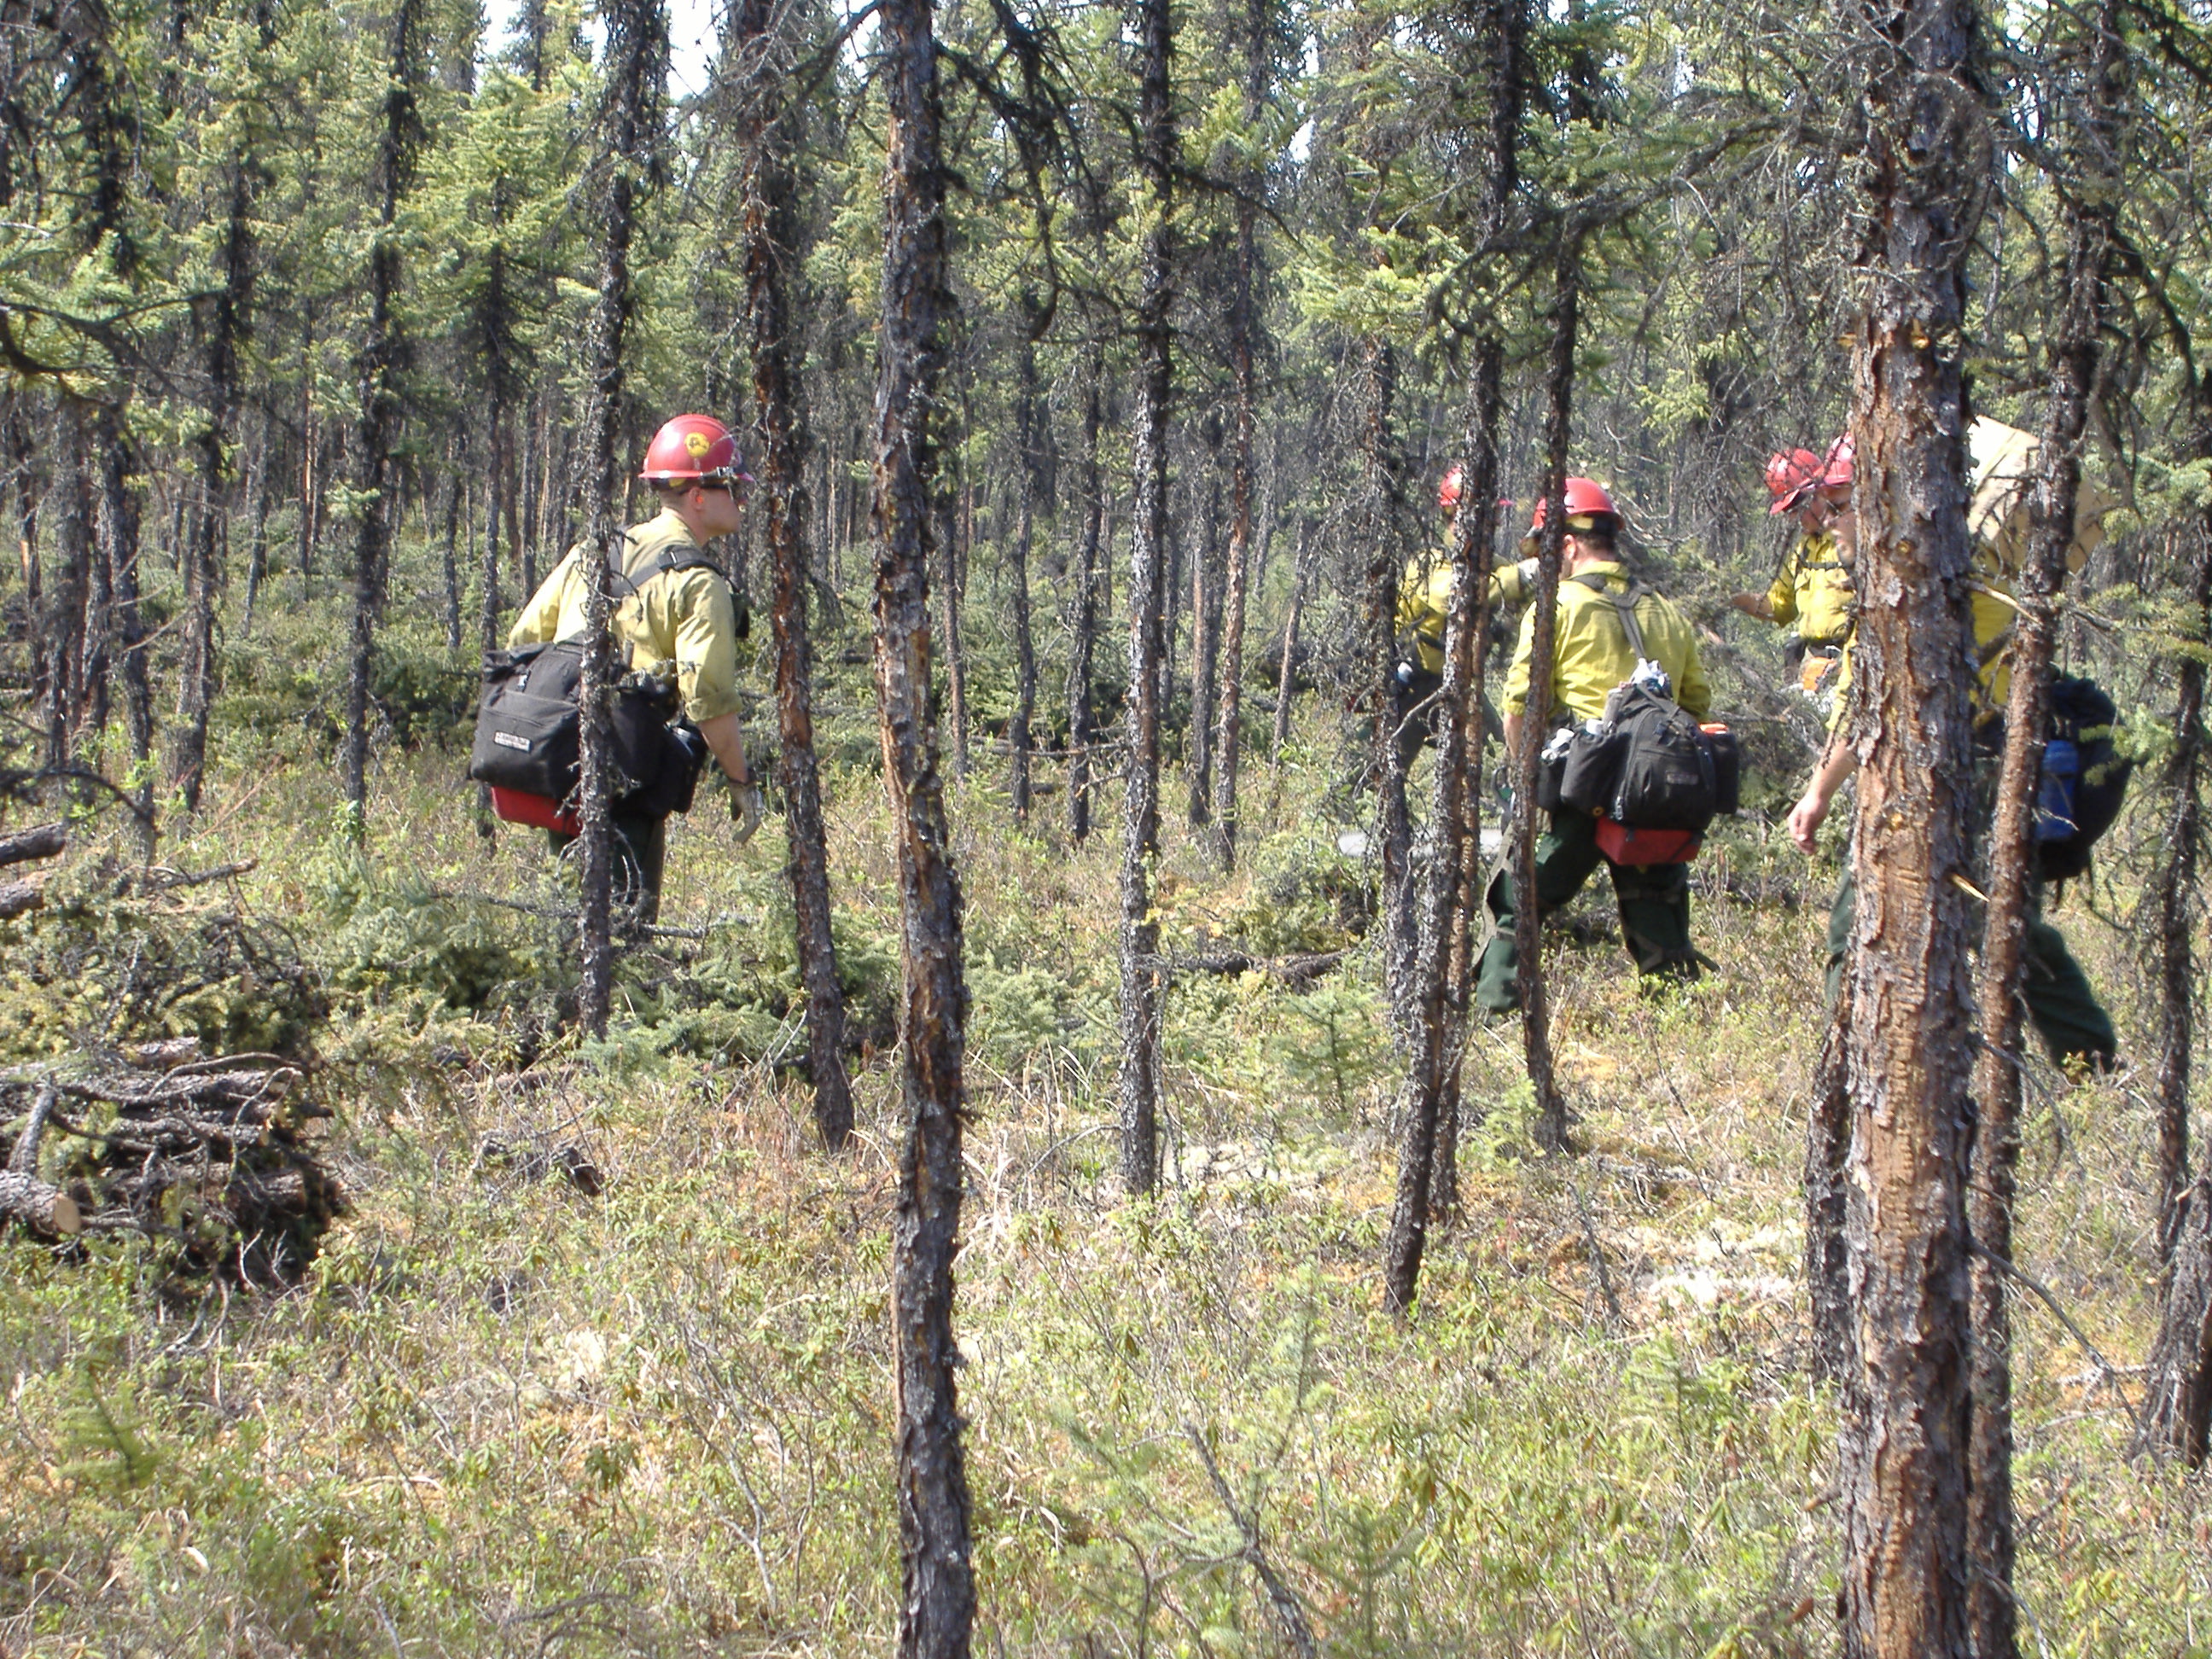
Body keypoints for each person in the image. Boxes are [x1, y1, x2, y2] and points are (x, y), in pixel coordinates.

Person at [1783, 459, 2117, 1068]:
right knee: (1927, 926)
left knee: (1988, 926)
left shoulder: (1917, 587)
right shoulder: (1933, 573)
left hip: (1965, 772)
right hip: (1942, 772)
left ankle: (2090, 1064)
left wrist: (1818, 794)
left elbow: (1870, 706)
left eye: (1840, 507)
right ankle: (1856, 1072)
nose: (1828, 524)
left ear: (1882, 502)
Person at [507, 412, 763, 923]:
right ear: (697, 496)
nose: (741, 498)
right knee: (623, 929)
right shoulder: (699, 583)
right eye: (732, 486)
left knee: (571, 918)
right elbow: (709, 699)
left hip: (563, 763)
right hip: (629, 776)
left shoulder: (595, 549)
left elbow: (524, 639)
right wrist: (741, 782)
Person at [1474, 477, 1714, 1014]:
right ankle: (1680, 1022)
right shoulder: (1666, 611)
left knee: (1515, 900)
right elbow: (1697, 705)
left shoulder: (1556, 606)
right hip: (1656, 792)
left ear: (1567, 545)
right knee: (1660, 912)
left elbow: (1519, 708)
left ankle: (1494, 1017)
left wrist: (1526, 784)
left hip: (1583, 789)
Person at [1389, 464, 1540, 769]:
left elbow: (1523, 605)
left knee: (1494, 756)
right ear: (1456, 517)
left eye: (1494, 516)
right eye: (1487, 516)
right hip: (1415, 682)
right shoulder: (1428, 563)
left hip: (1466, 685)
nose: (1494, 523)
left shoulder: (1496, 565)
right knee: (1386, 765)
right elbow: (1454, 597)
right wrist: (1519, 577)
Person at [1732, 445, 1855, 702]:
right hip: (1815, 670)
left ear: (1819, 494)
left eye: (1797, 509)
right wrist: (1733, 599)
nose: (1794, 519)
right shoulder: (1803, 551)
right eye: (1789, 513)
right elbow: (1778, 606)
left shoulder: (1850, 540)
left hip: (1853, 665)